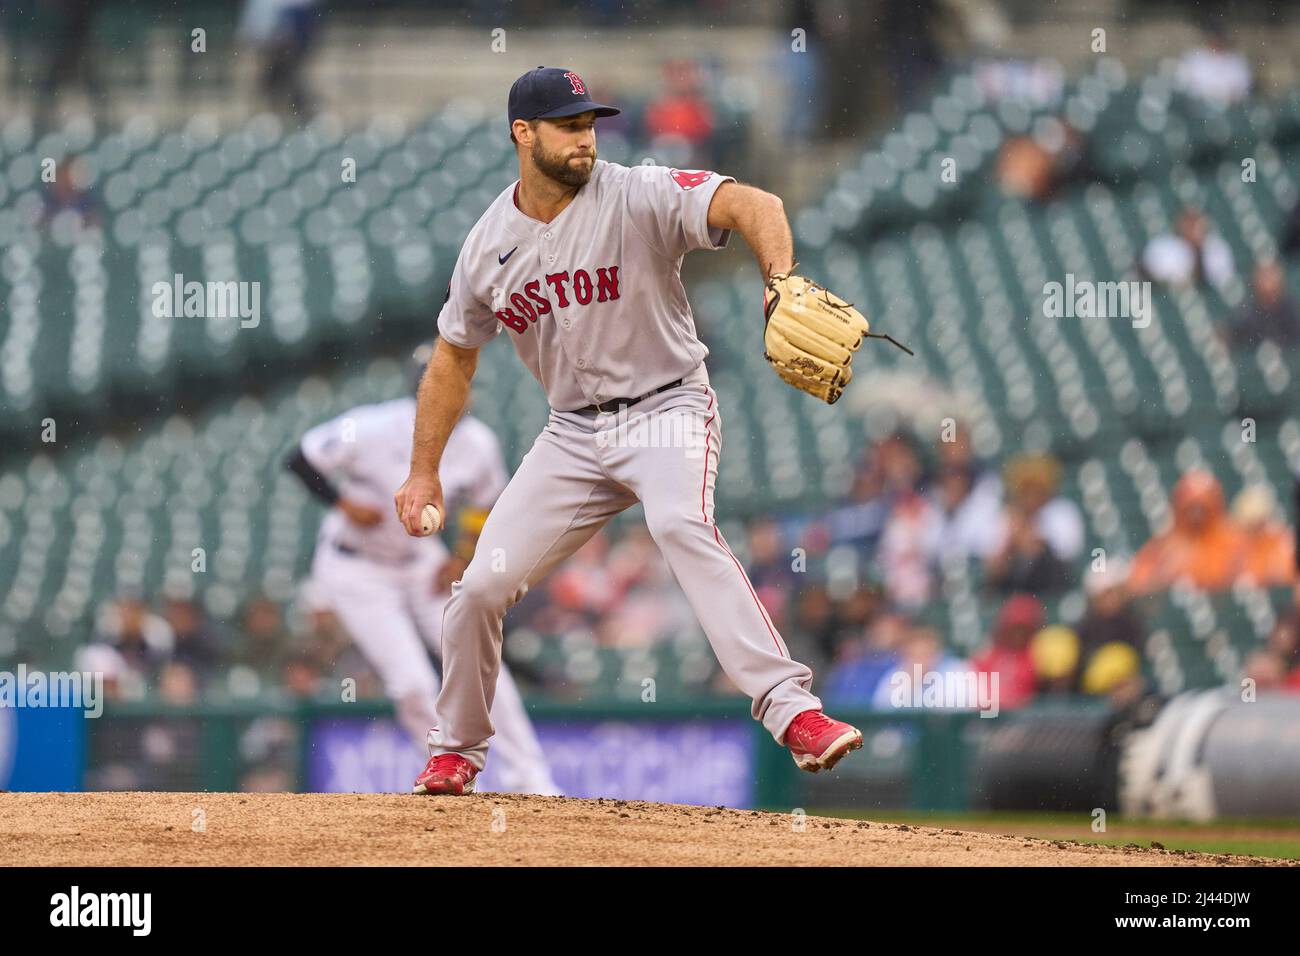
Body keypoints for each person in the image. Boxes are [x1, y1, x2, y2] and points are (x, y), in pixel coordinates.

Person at [395, 66, 863, 796]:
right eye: (568, 125)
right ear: (523, 133)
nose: (586, 137)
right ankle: (456, 747)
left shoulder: (635, 191)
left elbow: (752, 202)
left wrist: (780, 279)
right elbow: (454, 354)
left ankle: (793, 711)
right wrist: (424, 470)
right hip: (571, 434)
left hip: (668, 407)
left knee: (680, 525)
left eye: (589, 124)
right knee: (480, 587)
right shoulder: (487, 245)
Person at [287, 343, 560, 796]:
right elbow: (299, 459)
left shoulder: (477, 442)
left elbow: (485, 505)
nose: (461, 393)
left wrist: (461, 556)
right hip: (356, 569)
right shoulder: (371, 427)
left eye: (465, 384)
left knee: (481, 665)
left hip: (421, 564)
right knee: (412, 683)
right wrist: (342, 503)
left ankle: (528, 779)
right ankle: (443, 777)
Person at [1128, 470, 1247, 595]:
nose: (1196, 515)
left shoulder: (1232, 540)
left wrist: (1189, 566)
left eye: (1201, 508)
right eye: (1191, 508)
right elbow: (1137, 581)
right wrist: (1163, 573)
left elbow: (1241, 577)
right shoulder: (1167, 542)